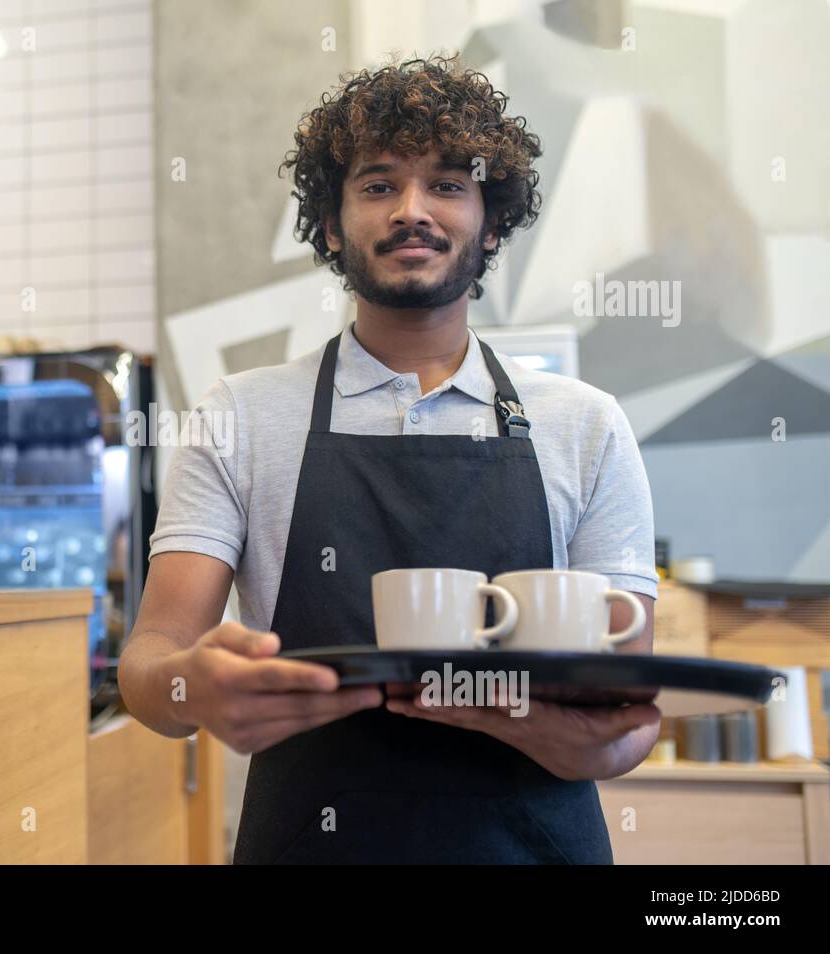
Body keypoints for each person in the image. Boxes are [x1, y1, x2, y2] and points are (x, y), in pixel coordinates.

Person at [118, 55, 661, 864]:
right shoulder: (240, 414)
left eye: (447, 184)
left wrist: (553, 731)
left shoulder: (587, 426)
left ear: (493, 221)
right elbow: (150, 666)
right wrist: (194, 688)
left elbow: (626, 716)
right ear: (332, 226)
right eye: (377, 186)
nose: (412, 210)